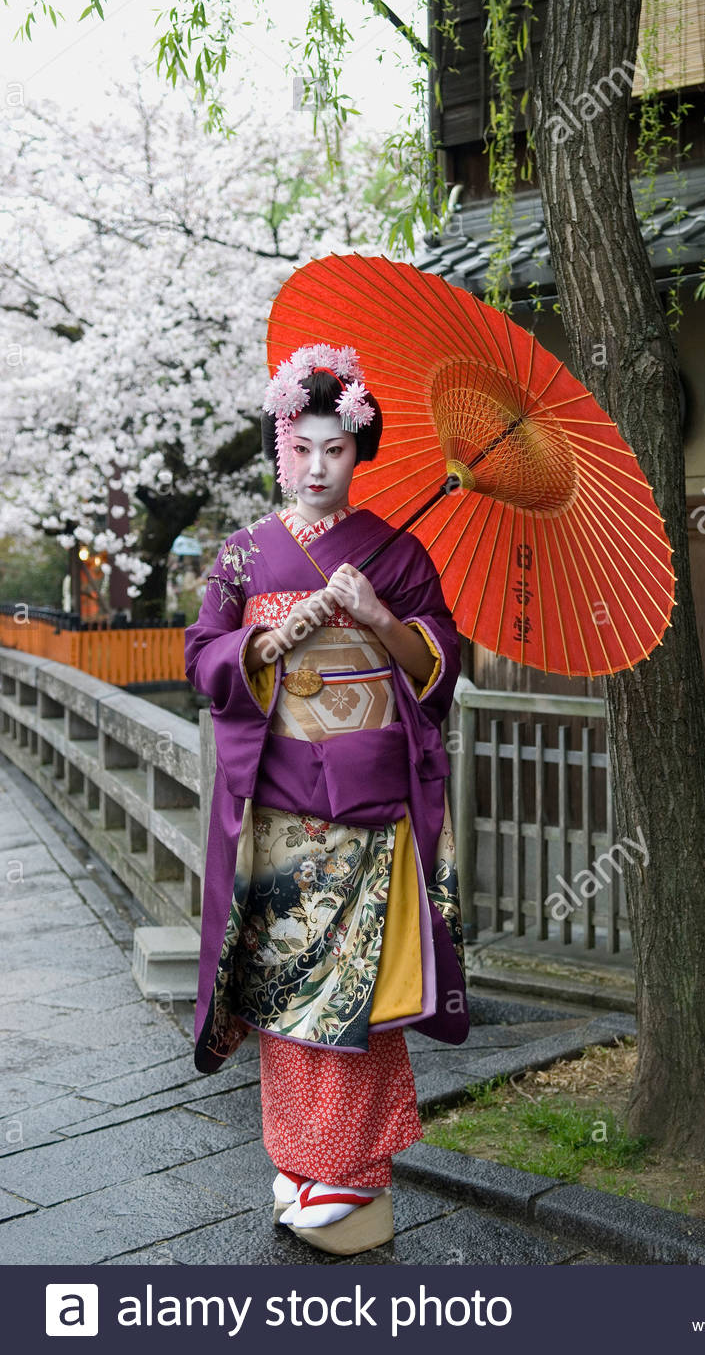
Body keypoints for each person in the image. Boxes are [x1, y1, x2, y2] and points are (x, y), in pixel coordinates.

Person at [184, 342, 469, 1256]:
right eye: (300, 447)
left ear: (359, 453)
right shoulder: (240, 557)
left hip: (365, 817)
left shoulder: (400, 553)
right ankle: (304, 1167)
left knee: (350, 1003)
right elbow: (199, 656)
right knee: (280, 995)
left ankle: (350, 1176)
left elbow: (439, 670)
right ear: (279, 443)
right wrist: (265, 646)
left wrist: (379, 617)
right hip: (275, 812)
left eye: (335, 450)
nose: (316, 467)